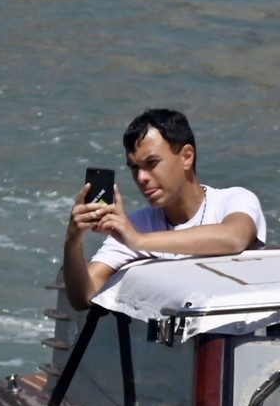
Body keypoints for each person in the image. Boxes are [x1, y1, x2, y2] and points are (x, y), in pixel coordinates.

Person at [62, 108, 266, 310]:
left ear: (187, 157)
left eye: (151, 163)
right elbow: (84, 296)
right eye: (135, 168)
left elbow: (234, 238)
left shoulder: (233, 200)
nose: (141, 177)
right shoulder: (137, 225)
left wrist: (139, 241)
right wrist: (73, 241)